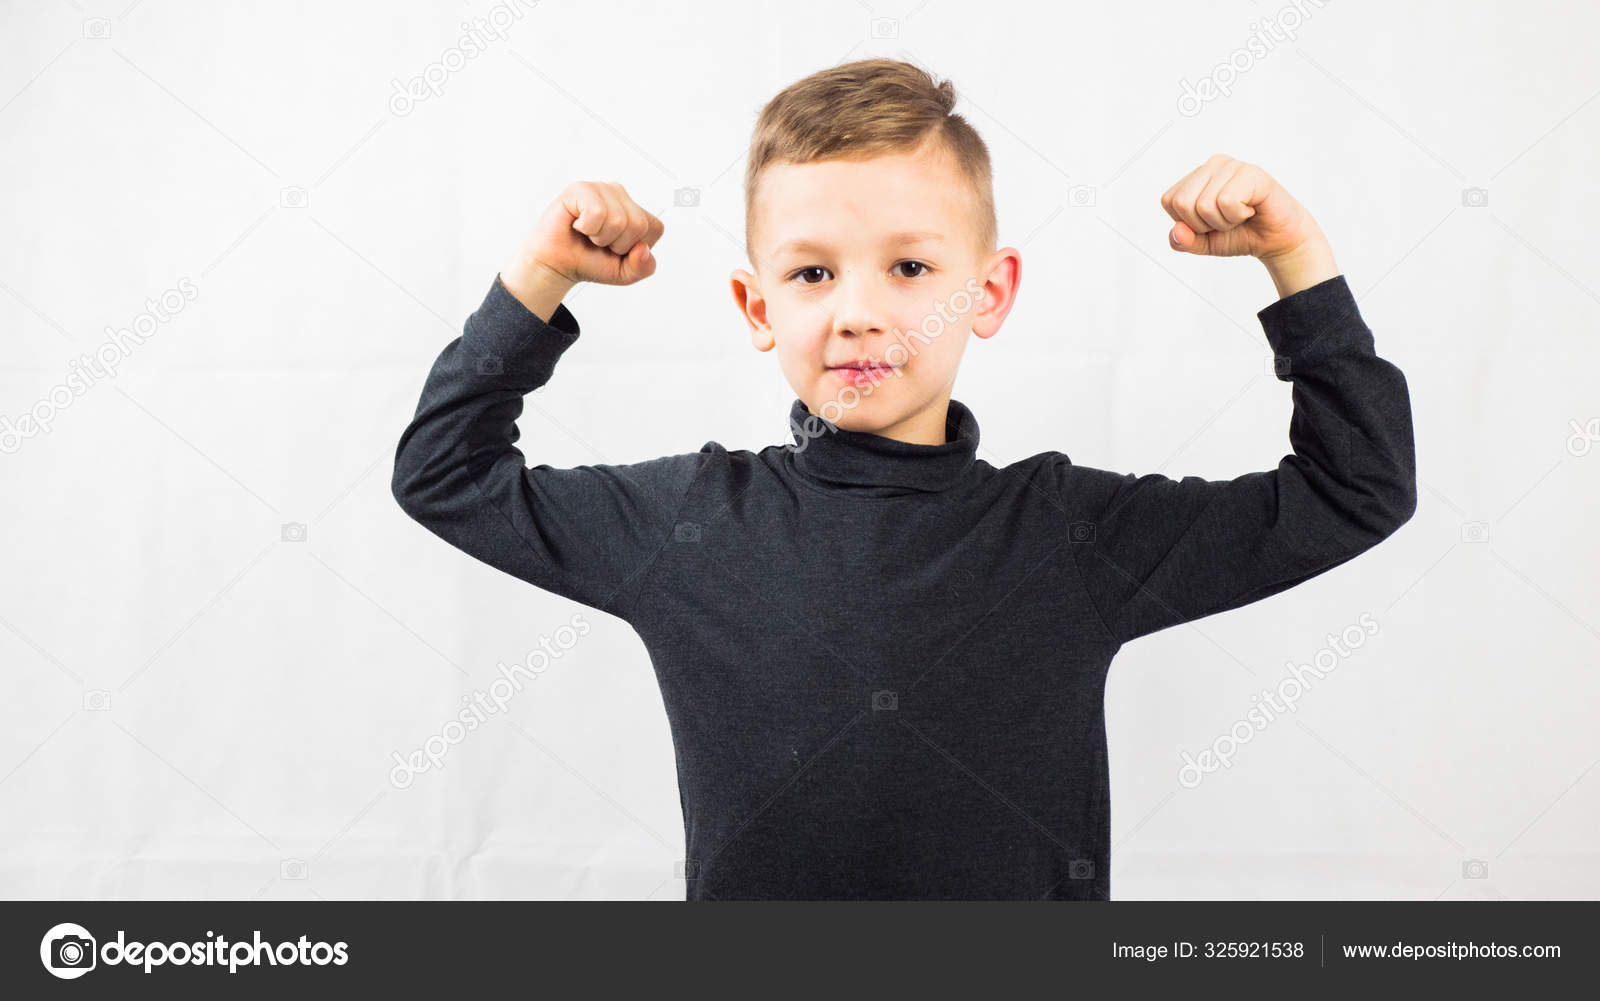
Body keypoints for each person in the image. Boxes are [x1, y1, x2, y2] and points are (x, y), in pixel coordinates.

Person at [391, 57, 1417, 899]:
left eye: (910, 268)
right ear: (758, 309)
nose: (858, 312)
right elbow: (444, 474)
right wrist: (539, 275)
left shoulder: (1066, 532)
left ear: (989, 291)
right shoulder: (690, 521)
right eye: (811, 272)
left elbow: (1354, 489)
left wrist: (1300, 263)